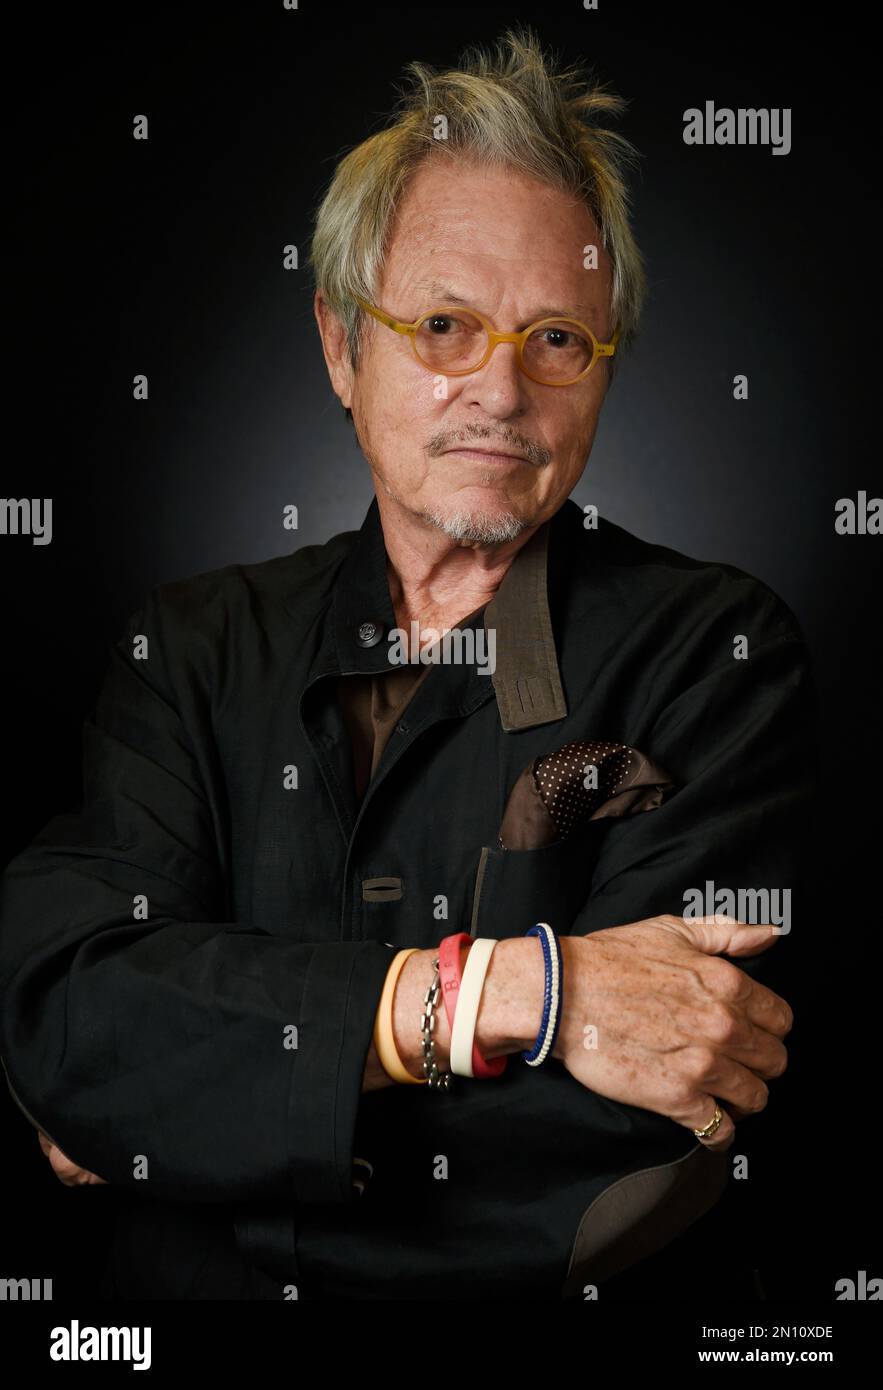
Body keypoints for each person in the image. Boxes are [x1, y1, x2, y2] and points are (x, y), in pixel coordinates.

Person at [0, 26, 814, 1300]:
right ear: (341, 346)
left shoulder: (716, 651)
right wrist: (511, 996)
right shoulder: (192, 646)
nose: (500, 388)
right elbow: (69, 1015)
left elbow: (646, 1143)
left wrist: (184, 1117)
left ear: (604, 371)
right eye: (443, 324)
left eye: (558, 338)